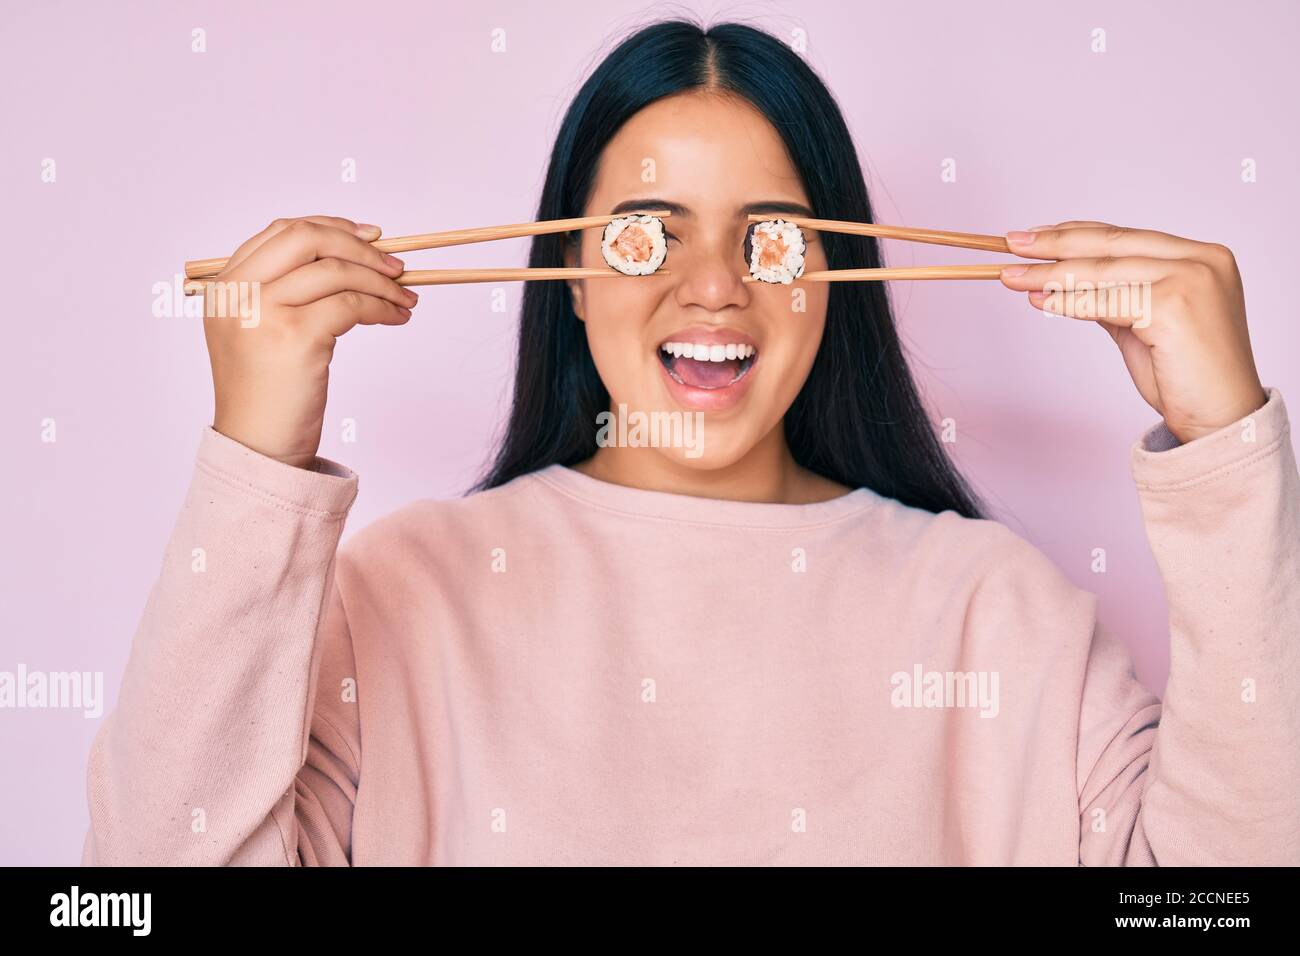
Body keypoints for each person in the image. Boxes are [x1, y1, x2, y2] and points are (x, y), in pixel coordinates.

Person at [81, 19, 1298, 866]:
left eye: (769, 236)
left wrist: (1226, 453)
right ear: (566, 275)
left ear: (835, 277)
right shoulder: (400, 600)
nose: (712, 288)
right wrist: (255, 462)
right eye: (644, 237)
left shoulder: (997, 612)